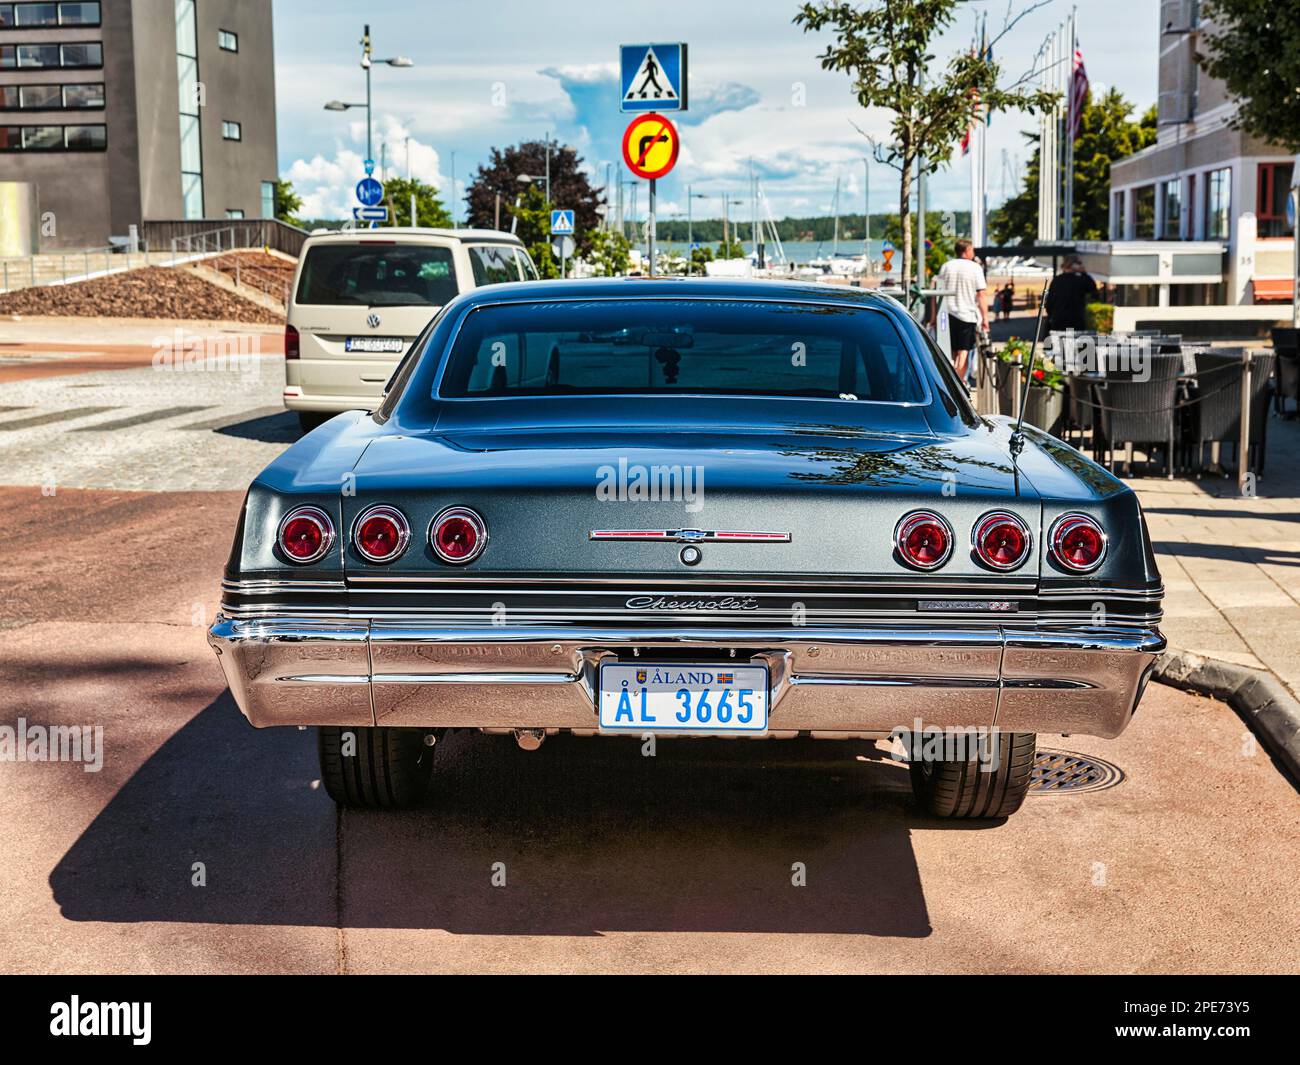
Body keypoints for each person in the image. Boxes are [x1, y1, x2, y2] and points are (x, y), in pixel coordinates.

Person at [930, 237, 988, 382]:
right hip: (966, 314)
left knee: (953, 352)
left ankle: (953, 381)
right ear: (967, 251)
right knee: (964, 352)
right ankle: (959, 383)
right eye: (972, 250)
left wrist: (932, 317)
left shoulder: (946, 266)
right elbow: (981, 294)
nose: (973, 253)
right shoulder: (975, 268)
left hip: (946, 314)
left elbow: (935, 293)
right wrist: (985, 318)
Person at [1044, 255, 1097, 334]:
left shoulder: (1057, 280)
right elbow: (1093, 290)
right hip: (1076, 321)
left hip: (1058, 320)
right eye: (1079, 263)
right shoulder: (1081, 280)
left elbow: (1049, 303)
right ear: (1073, 265)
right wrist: (1083, 272)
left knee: (1059, 345)